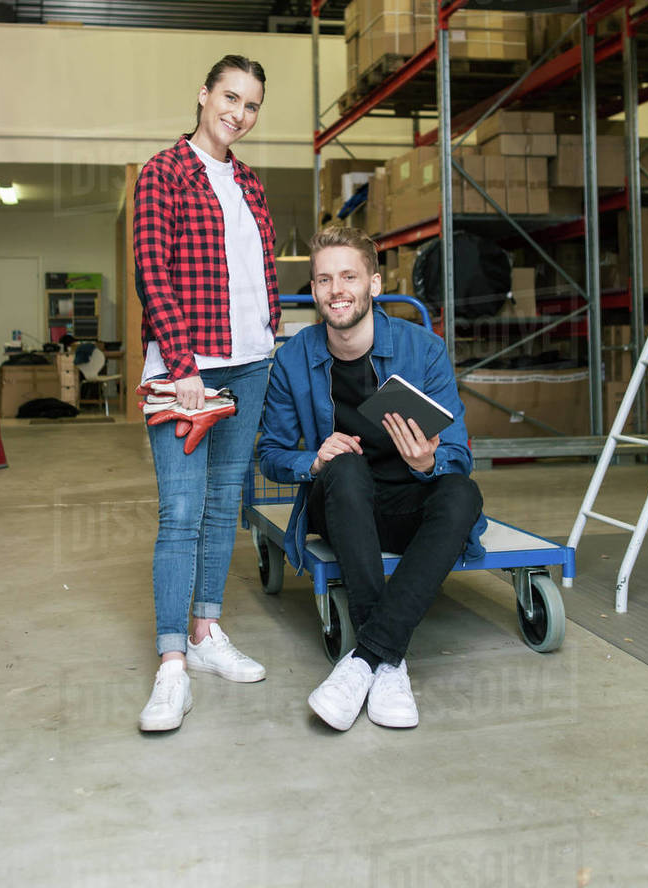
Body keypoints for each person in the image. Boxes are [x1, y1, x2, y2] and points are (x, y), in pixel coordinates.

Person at [257, 226, 483, 732]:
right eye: (323, 279)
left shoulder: (421, 349)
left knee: (460, 493)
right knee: (346, 463)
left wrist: (429, 462)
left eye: (348, 277)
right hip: (340, 505)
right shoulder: (293, 359)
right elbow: (269, 454)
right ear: (314, 291)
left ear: (374, 285)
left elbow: (459, 449)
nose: (336, 290)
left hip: (406, 503)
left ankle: (369, 660)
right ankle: (388, 659)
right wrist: (312, 461)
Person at [133, 54, 280, 732]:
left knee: (226, 505)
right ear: (203, 95)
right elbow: (152, 273)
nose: (238, 114)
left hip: (250, 364)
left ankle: (205, 632)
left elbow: (260, 272)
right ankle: (170, 667)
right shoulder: (163, 172)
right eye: (229, 97)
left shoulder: (250, 183)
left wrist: (271, 335)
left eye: (250, 105)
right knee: (182, 512)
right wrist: (183, 363)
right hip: (187, 369)